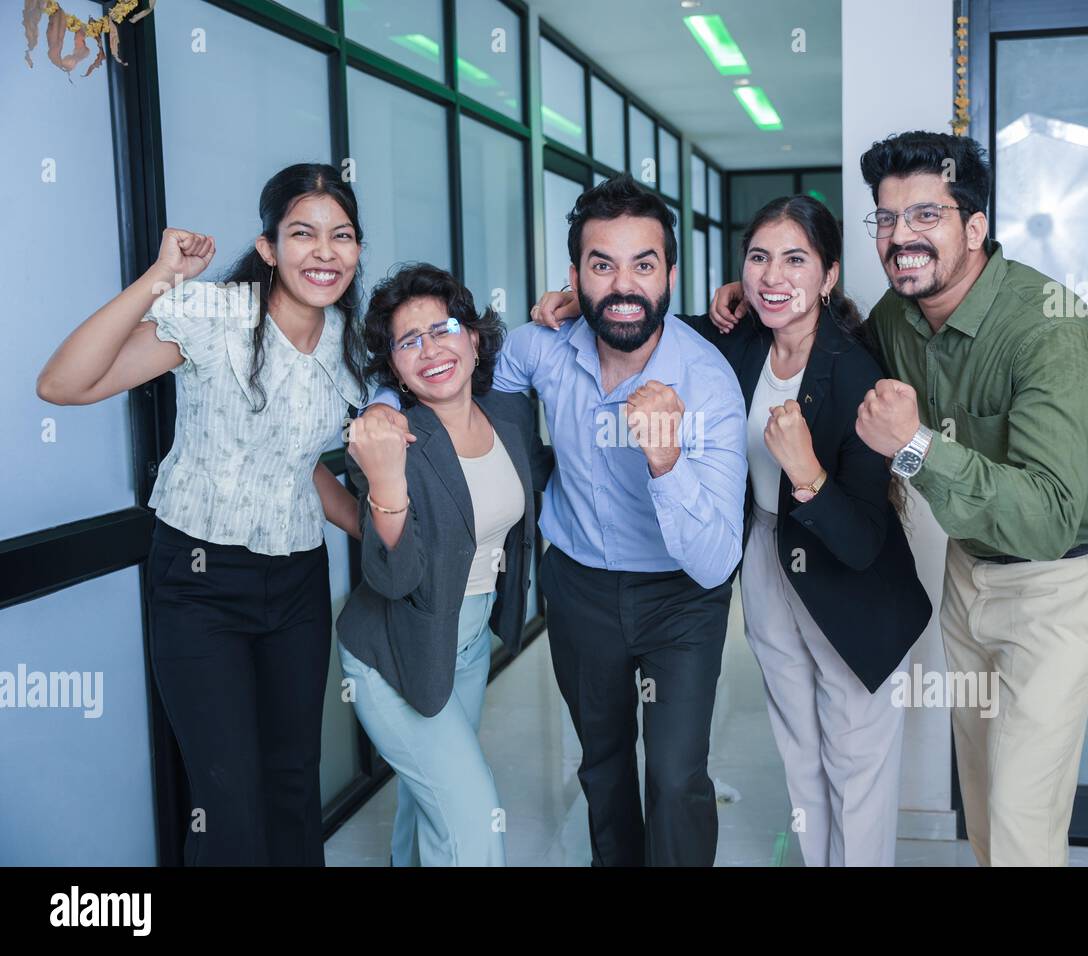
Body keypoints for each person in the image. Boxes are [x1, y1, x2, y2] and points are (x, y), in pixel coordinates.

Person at [713, 130, 1088, 867]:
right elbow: (828, 329)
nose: (901, 236)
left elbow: (1044, 517)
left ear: (975, 228)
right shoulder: (901, 316)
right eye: (886, 218)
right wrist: (751, 300)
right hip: (971, 573)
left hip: (1065, 578)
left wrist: (913, 445)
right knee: (982, 792)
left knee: (1018, 815)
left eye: (926, 215)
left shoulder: (1050, 328)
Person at [532, 194, 932, 866]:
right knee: (801, 757)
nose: (774, 276)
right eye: (759, 259)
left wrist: (808, 474)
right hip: (771, 561)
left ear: (830, 276)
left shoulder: (858, 371)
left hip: (851, 584)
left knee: (855, 767)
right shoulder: (741, 340)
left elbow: (864, 540)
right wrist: (583, 299)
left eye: (795, 260)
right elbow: (648, 318)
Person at [367, 174, 747, 866]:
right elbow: (456, 381)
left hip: (681, 601)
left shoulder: (710, 383)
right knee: (601, 764)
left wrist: (665, 462)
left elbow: (718, 560)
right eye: (603, 265)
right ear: (575, 277)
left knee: (674, 777)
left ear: (671, 275)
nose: (624, 285)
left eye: (644, 264)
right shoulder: (537, 351)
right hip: (580, 590)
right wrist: (380, 410)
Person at [36, 163, 369, 865]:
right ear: (270, 248)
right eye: (303, 233)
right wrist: (161, 277)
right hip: (201, 583)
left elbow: (297, 454)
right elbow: (64, 383)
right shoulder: (219, 317)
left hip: (299, 582)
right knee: (228, 800)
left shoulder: (348, 341)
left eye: (342, 235)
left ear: (357, 251)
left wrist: (370, 527)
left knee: (291, 781)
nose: (325, 251)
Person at [337, 263, 551, 867]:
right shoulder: (392, 440)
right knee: (472, 813)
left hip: (469, 638)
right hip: (395, 648)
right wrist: (384, 480)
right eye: (409, 341)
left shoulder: (506, 418)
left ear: (474, 337)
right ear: (394, 367)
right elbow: (395, 577)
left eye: (443, 329)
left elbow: (539, 488)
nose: (430, 349)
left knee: (426, 804)